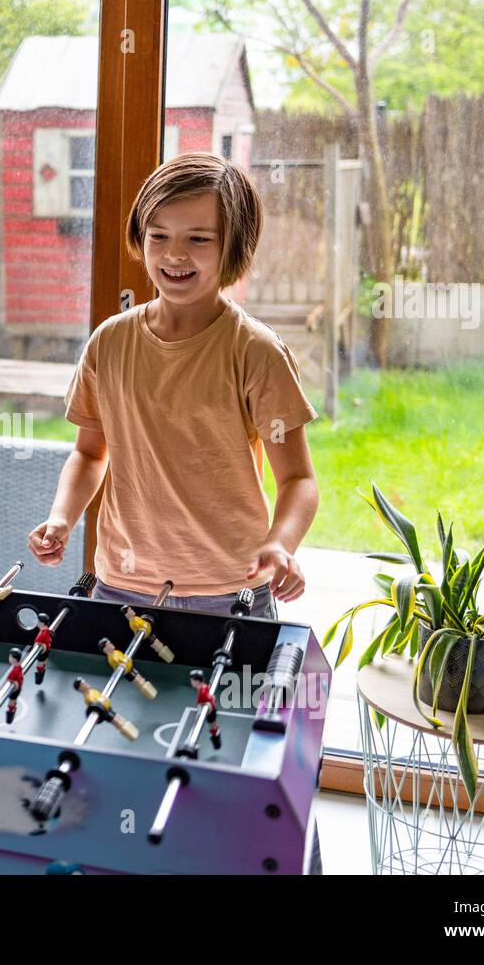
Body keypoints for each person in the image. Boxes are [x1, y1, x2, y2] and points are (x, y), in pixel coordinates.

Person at [28, 151, 319, 620]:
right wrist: (64, 516)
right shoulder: (110, 342)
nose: (174, 254)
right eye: (158, 236)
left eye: (198, 239)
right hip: (120, 583)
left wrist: (281, 544)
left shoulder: (257, 353)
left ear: (234, 246)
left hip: (232, 589)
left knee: (231, 697)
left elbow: (299, 480)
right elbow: (88, 453)